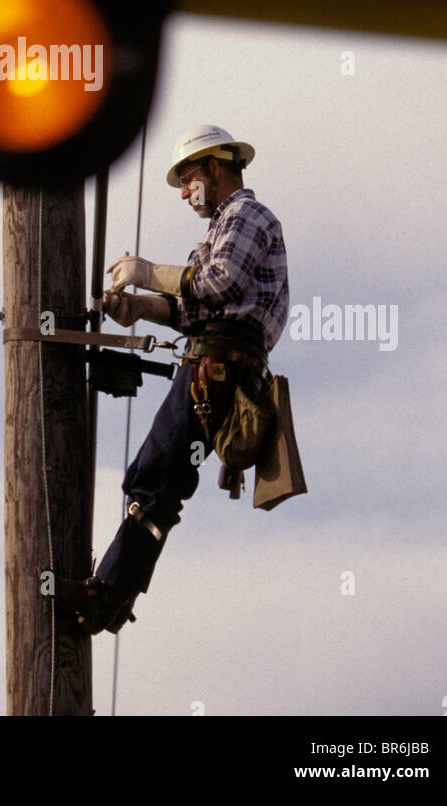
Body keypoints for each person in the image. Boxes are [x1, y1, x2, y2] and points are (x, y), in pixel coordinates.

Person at [53, 124, 289, 634]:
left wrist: (144, 271)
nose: (185, 193)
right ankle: (111, 597)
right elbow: (193, 309)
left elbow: (218, 283)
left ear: (215, 168)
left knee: (156, 480)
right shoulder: (220, 228)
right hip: (213, 362)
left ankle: (106, 596)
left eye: (187, 179)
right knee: (154, 478)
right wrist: (140, 308)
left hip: (220, 367)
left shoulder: (247, 215)